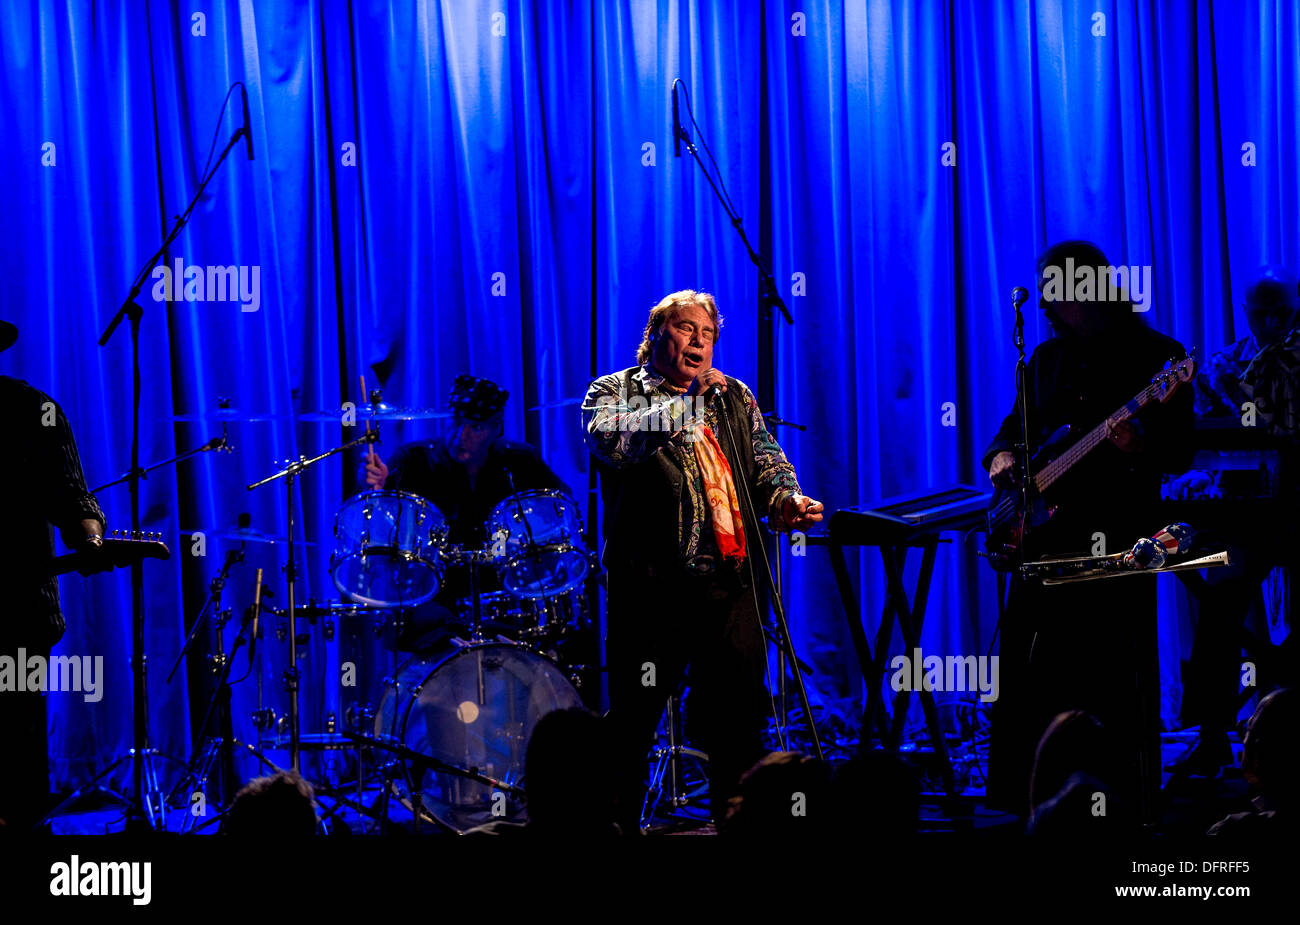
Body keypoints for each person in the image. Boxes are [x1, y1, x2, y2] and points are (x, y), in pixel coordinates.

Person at [583, 289, 824, 833]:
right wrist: (688, 403)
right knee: (634, 721)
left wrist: (789, 501)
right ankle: (614, 828)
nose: (699, 341)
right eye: (686, 328)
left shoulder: (733, 396)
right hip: (651, 589)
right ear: (653, 337)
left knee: (737, 722)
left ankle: (738, 826)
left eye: (707, 333)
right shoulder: (615, 391)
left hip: (728, 585)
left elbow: (766, 464)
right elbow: (617, 445)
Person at [982, 241, 1193, 821]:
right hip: (1043, 538)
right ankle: (1024, 801)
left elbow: (1181, 452)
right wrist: (1000, 456)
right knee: (1027, 669)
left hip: (1114, 541)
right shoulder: (1045, 362)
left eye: (1058, 289)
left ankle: (1116, 803)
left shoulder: (1160, 358)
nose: (1047, 302)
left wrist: (1141, 444)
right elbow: (1010, 431)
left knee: (1105, 672)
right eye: (1044, 288)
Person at [1169, 268, 1300, 777]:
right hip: (1244, 517)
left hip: (1293, 514)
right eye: (1260, 313)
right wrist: (1197, 478)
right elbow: (1210, 445)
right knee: (1219, 608)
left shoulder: (1261, 365)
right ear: (1245, 312)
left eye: (1282, 313)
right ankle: (1211, 734)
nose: (1270, 323)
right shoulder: (1223, 363)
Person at [360, 375, 570, 644]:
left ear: (496, 429)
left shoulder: (519, 460)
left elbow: (559, 509)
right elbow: (377, 529)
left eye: (476, 427)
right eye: (456, 421)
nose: (461, 436)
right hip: (432, 601)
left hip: (505, 597)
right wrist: (374, 490)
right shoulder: (413, 460)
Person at [0, 317, 109, 832]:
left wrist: (89, 537)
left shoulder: (33, 411)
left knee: (17, 746)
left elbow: (72, 495)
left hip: (18, 613)